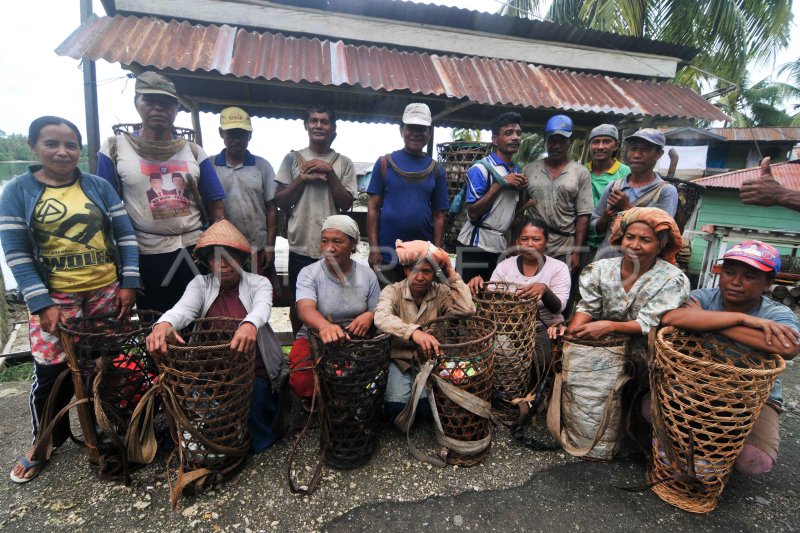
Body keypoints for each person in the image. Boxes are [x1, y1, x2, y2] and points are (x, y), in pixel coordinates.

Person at [1, 116, 140, 483]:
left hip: (104, 290)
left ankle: (112, 429)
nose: (62, 152)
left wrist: (129, 281)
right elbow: (15, 251)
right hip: (55, 296)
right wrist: (41, 301)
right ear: (35, 147)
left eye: (70, 145)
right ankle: (44, 442)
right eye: (52, 144)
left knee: (109, 363)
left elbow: (124, 235)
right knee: (51, 370)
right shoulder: (19, 190)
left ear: (79, 150)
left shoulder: (97, 186)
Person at [662, 240, 800, 475]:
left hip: (754, 396)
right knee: (650, 410)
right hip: (698, 385)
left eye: (749, 276)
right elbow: (673, 318)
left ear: (768, 283)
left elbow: (787, 346)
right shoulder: (704, 297)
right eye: (729, 272)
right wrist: (745, 321)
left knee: (755, 462)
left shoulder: (776, 313)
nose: (735, 282)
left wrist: (711, 321)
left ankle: (721, 458)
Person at [146, 220, 284, 453]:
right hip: (211, 369)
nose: (223, 264)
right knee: (206, 419)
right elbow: (182, 310)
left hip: (252, 367)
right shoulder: (200, 284)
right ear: (208, 262)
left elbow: (262, 307)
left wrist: (249, 324)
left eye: (229, 257)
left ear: (241, 259)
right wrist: (163, 325)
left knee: (257, 419)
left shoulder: (258, 282)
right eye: (215, 258)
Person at [548, 207, 690, 433]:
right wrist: (573, 336)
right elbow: (588, 306)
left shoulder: (672, 279)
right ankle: (579, 426)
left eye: (646, 240)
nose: (635, 245)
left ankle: (627, 425)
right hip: (598, 341)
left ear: (661, 245)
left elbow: (648, 323)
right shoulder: (600, 269)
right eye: (630, 237)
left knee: (630, 382)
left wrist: (609, 326)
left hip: (642, 348)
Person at [96, 71, 226, 312]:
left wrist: (216, 251)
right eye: (149, 101)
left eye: (166, 103)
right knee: (156, 321)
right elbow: (104, 212)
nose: (158, 108)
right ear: (137, 104)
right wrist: (125, 269)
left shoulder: (194, 151)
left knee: (201, 320)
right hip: (146, 253)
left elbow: (216, 205)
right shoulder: (116, 149)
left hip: (193, 250)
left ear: (176, 109)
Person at [273, 104, 357, 334]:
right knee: (299, 303)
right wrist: (302, 178)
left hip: (334, 248)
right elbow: (280, 200)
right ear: (306, 126)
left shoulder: (343, 162)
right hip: (300, 246)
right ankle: (302, 354)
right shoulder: (292, 159)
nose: (318, 125)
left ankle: (328, 352)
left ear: (333, 130)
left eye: (324, 121)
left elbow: (346, 203)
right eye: (313, 120)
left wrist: (329, 172)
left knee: (333, 302)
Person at [374, 240, 475, 422]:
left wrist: (450, 273)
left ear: (434, 273)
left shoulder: (442, 292)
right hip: (400, 361)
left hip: (430, 362)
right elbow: (381, 318)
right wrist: (414, 332)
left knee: (426, 412)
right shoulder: (393, 291)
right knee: (395, 410)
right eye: (414, 270)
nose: (419, 277)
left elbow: (467, 309)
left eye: (427, 271)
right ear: (405, 271)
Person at [288, 215, 381, 402]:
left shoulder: (367, 274)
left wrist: (370, 315)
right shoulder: (309, 273)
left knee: (366, 380)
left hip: (355, 341)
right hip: (316, 338)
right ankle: (313, 406)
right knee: (302, 379)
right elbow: (305, 309)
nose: (329, 248)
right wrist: (324, 326)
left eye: (337, 241)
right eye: (325, 241)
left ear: (353, 245)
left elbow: (380, 309)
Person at [467, 218, 570, 367]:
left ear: (546, 241)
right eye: (524, 239)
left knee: (540, 362)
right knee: (490, 355)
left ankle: (533, 389)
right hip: (507, 326)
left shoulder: (558, 268)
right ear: (517, 242)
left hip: (544, 327)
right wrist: (480, 286)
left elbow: (559, 307)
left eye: (536, 239)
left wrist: (544, 290)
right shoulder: (505, 266)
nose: (529, 244)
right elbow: (493, 300)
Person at [367, 103, 449, 285]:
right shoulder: (384, 163)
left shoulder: (436, 169)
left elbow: (439, 216)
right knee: (386, 305)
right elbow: (372, 208)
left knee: (419, 307)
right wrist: (374, 248)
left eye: (422, 129)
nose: (416, 133)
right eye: (411, 128)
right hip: (388, 254)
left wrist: (436, 251)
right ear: (401, 130)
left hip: (422, 256)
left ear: (429, 133)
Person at [456, 112, 527, 282]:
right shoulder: (480, 169)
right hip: (474, 246)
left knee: (491, 298)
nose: (515, 137)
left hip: (499, 245)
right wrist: (500, 184)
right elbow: (473, 213)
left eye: (518, 133)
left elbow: (512, 212)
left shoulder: (517, 170)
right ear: (495, 140)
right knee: (467, 300)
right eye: (508, 133)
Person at [590, 128, 678, 259]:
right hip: (605, 263)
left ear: (659, 154)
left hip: (639, 267)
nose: (636, 155)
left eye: (645, 150)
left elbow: (661, 234)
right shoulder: (614, 186)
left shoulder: (665, 192)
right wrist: (604, 219)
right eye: (633, 148)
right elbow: (592, 225)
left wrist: (627, 208)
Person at [522, 114, 593, 273]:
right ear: (545, 140)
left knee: (559, 295)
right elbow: (519, 210)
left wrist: (577, 251)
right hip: (534, 246)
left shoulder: (580, 173)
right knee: (528, 292)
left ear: (570, 141)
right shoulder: (530, 169)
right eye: (552, 140)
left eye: (562, 140)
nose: (556, 145)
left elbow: (583, 216)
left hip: (564, 247)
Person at [213, 107, 278, 278]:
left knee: (260, 294)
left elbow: (272, 208)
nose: (237, 139)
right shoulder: (211, 166)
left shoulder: (262, 166)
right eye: (231, 133)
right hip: (224, 247)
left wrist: (270, 247)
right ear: (221, 133)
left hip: (258, 247)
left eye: (242, 134)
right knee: (228, 298)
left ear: (250, 135)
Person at [585, 124, 630, 253]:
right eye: (595, 142)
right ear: (589, 145)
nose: (600, 147)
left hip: (613, 243)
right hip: (583, 241)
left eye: (606, 141)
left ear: (616, 145)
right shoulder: (581, 171)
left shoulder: (626, 173)